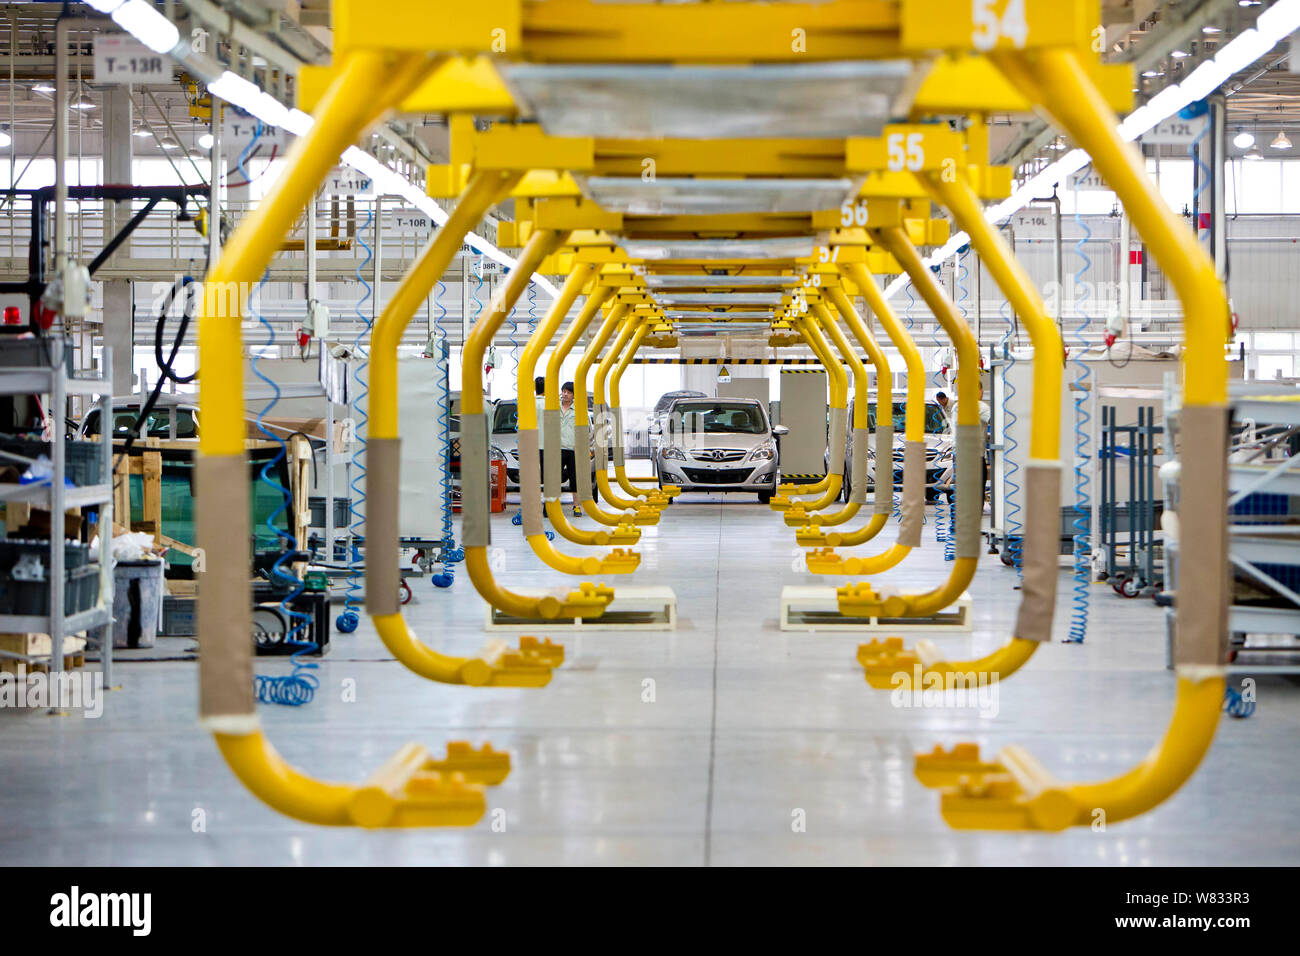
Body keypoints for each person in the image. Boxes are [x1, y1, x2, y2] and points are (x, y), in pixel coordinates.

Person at [560, 382, 581, 515]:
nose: (565, 394)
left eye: (568, 392)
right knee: (554, 478)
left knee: (574, 479)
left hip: (573, 449)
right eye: (563, 391)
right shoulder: (554, 408)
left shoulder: (578, 410)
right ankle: (551, 506)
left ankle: (576, 506)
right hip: (557, 448)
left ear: (573, 395)